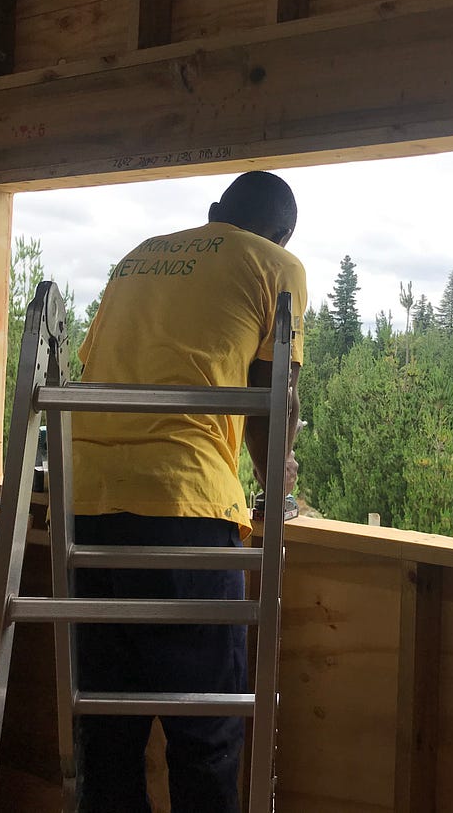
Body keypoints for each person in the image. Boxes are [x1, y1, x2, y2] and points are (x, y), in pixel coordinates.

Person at [70, 171, 306, 813]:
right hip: (187, 509)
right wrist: (278, 475)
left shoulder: (136, 257)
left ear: (214, 213)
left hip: (86, 509)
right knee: (205, 728)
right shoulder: (277, 265)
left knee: (108, 727)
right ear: (283, 234)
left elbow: (97, 369)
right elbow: (267, 402)